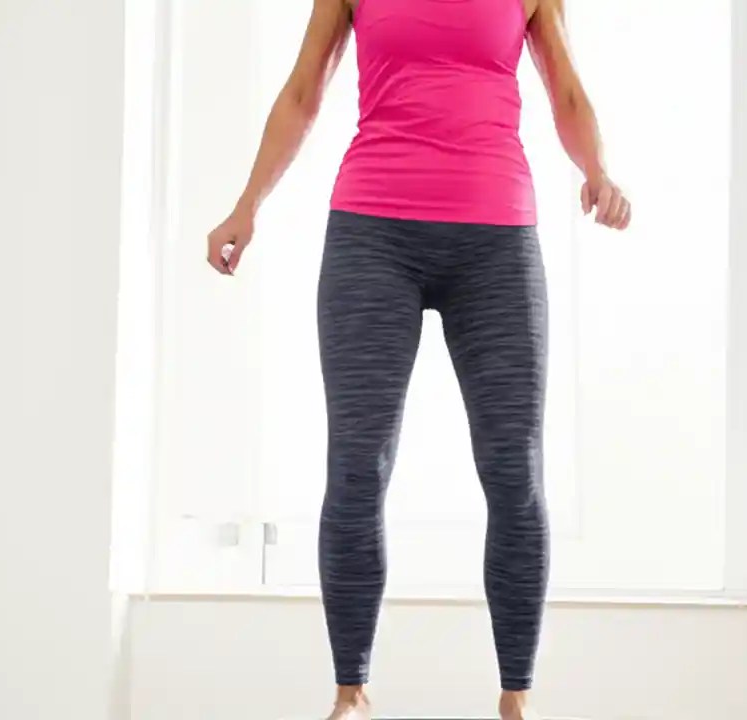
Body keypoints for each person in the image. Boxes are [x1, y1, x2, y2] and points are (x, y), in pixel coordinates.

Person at [206, 0, 628, 717]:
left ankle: (516, 697)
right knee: (357, 464)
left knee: (514, 469)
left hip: (496, 242)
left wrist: (598, 169)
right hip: (373, 235)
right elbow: (305, 88)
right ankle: (351, 693)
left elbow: (565, 87)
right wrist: (248, 204)